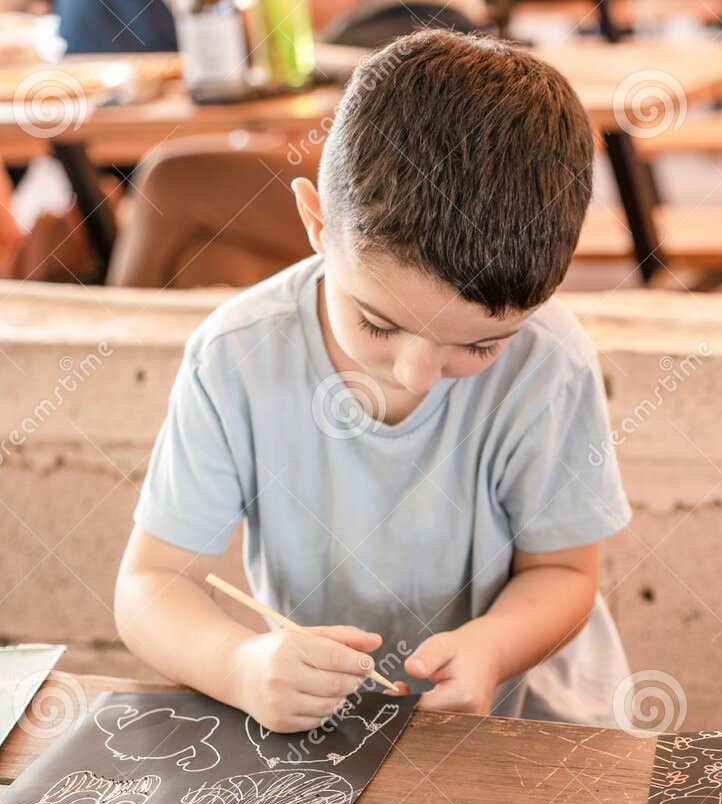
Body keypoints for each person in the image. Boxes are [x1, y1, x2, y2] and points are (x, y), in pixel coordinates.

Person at [114, 31, 631, 732]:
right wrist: (239, 665)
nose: (418, 372)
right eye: (379, 324)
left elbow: (565, 573)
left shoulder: (549, 363)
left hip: (528, 726)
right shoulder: (236, 356)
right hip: (336, 734)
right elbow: (151, 585)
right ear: (317, 223)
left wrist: (491, 649)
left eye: (480, 345)